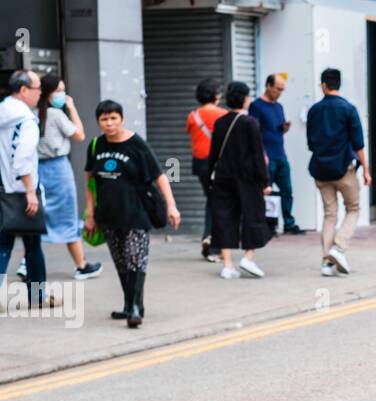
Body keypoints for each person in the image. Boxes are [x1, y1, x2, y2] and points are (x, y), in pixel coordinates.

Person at [84, 99, 181, 328]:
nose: (109, 124)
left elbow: (159, 175)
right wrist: (90, 213)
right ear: (98, 122)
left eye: (113, 118)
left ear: (122, 119)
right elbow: (90, 181)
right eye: (104, 119)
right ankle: (129, 305)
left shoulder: (136, 143)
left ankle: (136, 307)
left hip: (136, 213)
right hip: (108, 214)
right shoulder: (96, 145)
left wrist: (171, 205)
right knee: (121, 262)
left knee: (136, 259)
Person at [24, 72, 101, 281]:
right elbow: (80, 134)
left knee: (37, 218)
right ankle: (81, 265)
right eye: (58, 90)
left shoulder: (29, 113)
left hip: (35, 170)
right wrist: (72, 107)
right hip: (58, 169)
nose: (62, 93)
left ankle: (26, 264)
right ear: (48, 93)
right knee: (67, 217)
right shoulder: (56, 115)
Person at [0, 69, 47, 310]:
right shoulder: (26, 119)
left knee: (1, 243)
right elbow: (22, 158)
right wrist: (30, 191)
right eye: (37, 88)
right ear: (23, 90)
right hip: (20, 192)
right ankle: (38, 295)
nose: (40, 93)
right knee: (33, 244)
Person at [306, 67, 370, 277]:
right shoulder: (349, 109)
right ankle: (338, 247)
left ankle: (327, 263)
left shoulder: (314, 110)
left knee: (329, 214)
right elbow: (359, 144)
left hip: (320, 171)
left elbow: (310, 143)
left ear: (324, 85)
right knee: (353, 209)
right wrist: (367, 171)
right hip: (344, 170)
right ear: (338, 84)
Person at [209, 81, 271, 279]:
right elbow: (257, 156)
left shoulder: (219, 122)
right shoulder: (250, 123)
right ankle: (248, 258)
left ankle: (227, 265)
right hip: (247, 178)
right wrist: (265, 181)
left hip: (222, 178)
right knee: (253, 215)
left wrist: (210, 176)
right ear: (245, 99)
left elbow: (213, 154)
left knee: (224, 218)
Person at [249, 73, 302, 235]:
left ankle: (289, 223)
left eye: (282, 90)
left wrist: (284, 128)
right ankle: (268, 225)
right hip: (266, 155)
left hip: (280, 154)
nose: (279, 92)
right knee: (267, 191)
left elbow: (275, 129)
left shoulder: (279, 107)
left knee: (287, 190)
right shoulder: (256, 106)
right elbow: (253, 130)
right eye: (278, 89)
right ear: (269, 86)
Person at [187, 79, 226, 261]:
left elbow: (191, 133)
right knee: (219, 202)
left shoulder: (192, 116)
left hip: (200, 164)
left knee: (211, 200)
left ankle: (208, 238)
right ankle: (213, 244)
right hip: (219, 163)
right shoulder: (223, 115)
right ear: (216, 96)